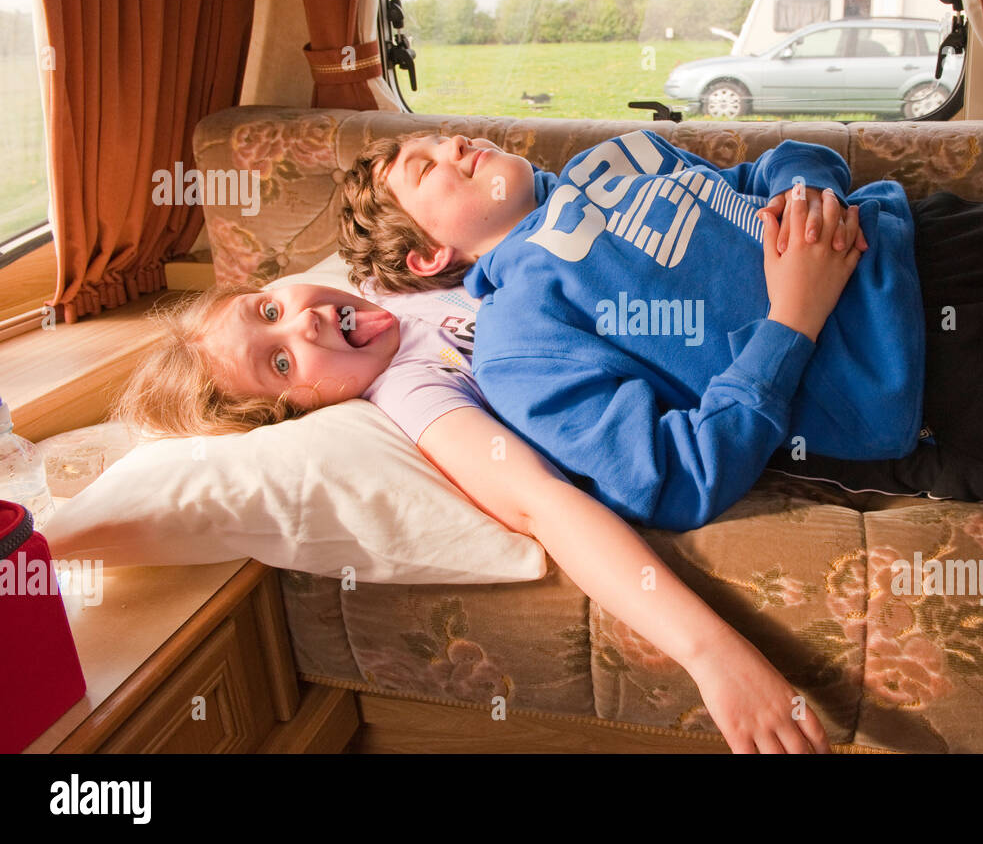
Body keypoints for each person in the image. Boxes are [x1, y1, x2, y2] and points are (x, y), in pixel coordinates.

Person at [337, 130, 983, 528]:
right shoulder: (517, 336)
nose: (451, 145)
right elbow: (669, 477)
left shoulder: (610, 159)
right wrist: (793, 319)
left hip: (942, 239)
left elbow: (773, 165)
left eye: (438, 138)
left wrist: (808, 186)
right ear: (428, 260)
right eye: (424, 172)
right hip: (940, 373)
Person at [110, 277, 833, 755]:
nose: (305, 321)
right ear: (295, 414)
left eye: (269, 308)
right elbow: (544, 506)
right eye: (280, 363)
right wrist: (712, 654)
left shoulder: (402, 292)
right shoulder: (412, 394)